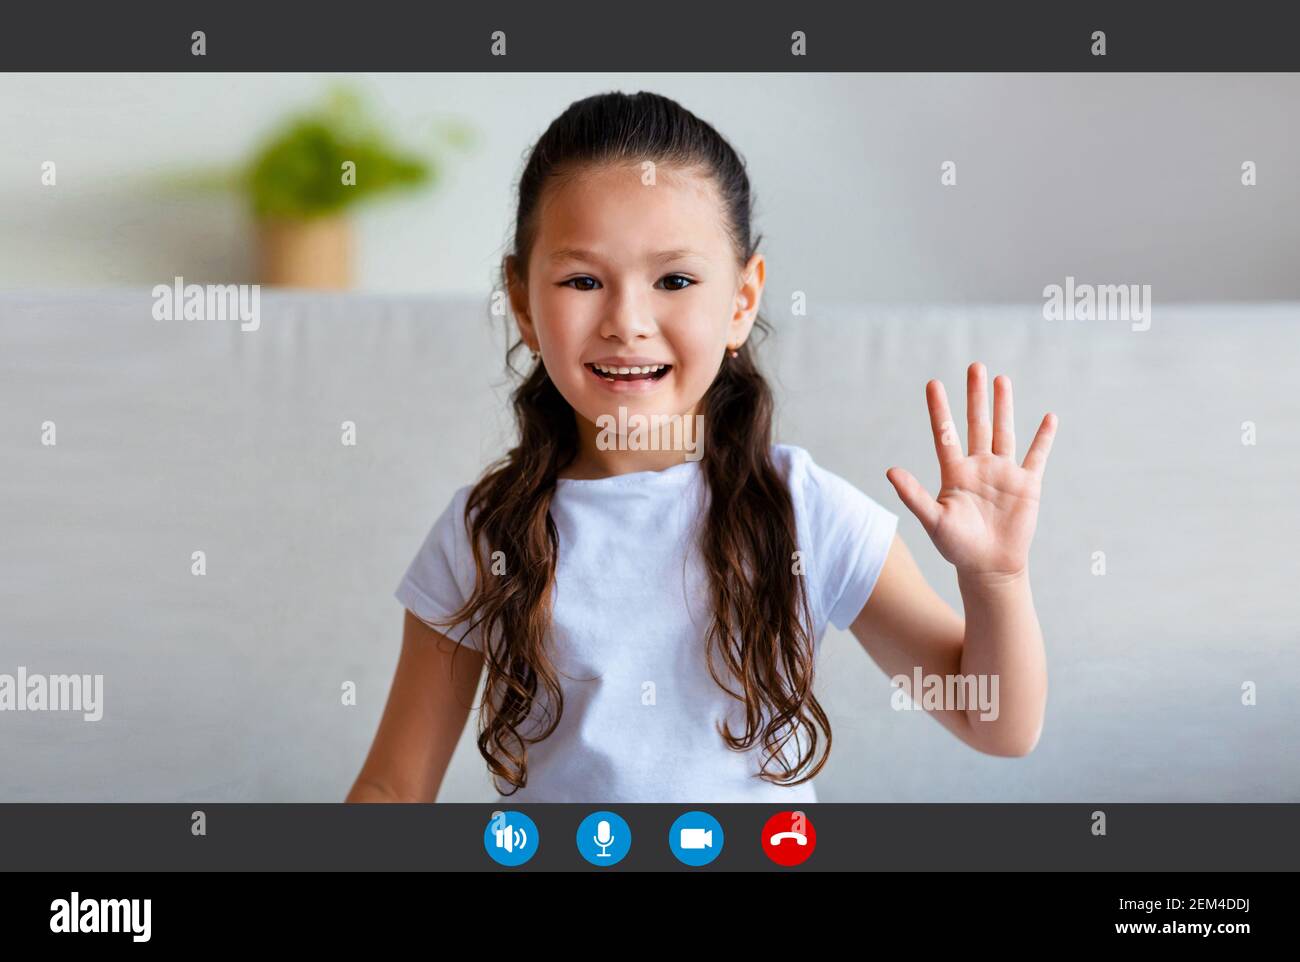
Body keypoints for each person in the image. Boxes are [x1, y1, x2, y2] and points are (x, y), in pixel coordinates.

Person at [347, 90, 1057, 805]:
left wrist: (995, 580)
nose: (628, 322)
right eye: (583, 281)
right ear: (525, 302)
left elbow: (995, 723)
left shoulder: (806, 515)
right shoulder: (483, 534)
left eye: (675, 281)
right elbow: (392, 786)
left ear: (742, 300)